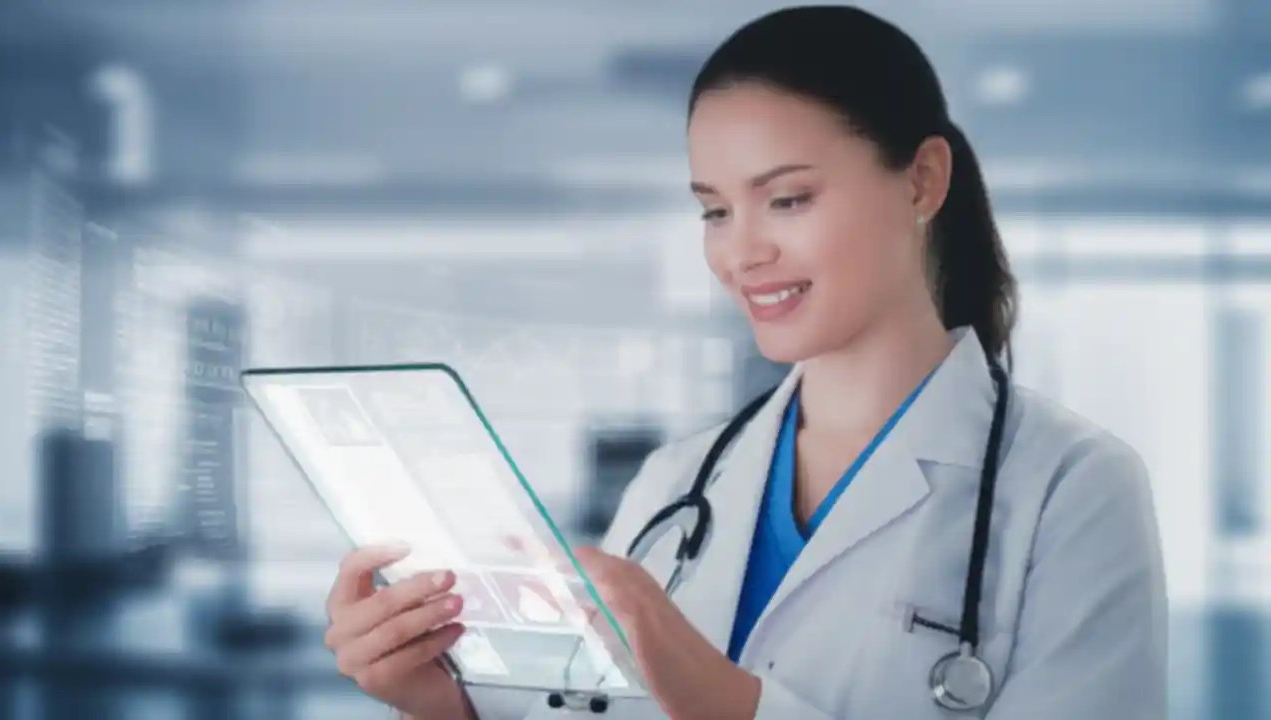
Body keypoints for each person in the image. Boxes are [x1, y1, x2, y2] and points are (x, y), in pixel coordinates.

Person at [322, 6, 1167, 719]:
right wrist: (443, 701)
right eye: (715, 212)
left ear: (922, 182)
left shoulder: (1073, 488)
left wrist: (730, 701)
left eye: (788, 200)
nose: (741, 253)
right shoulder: (674, 483)